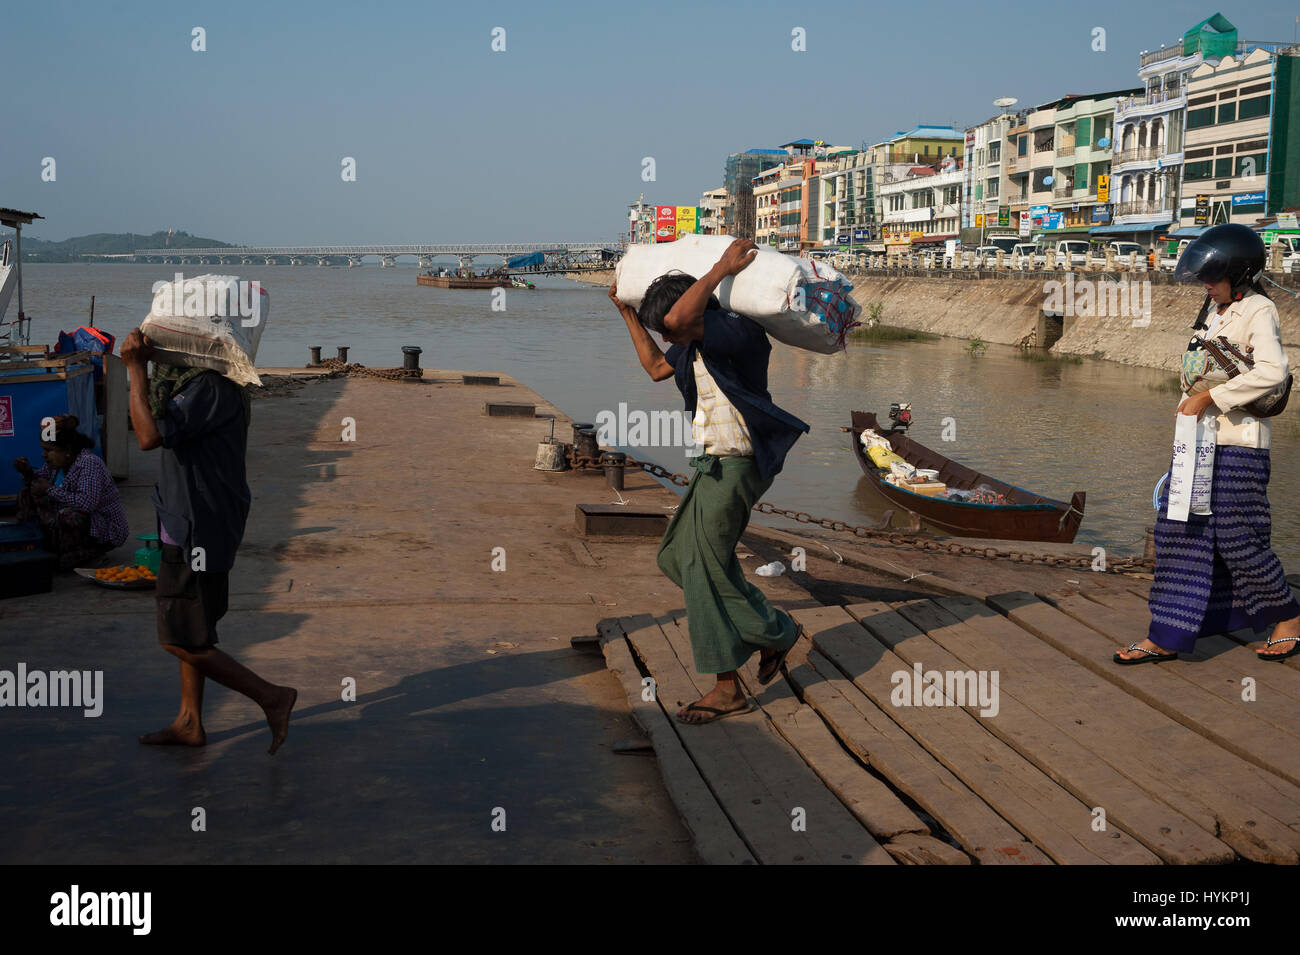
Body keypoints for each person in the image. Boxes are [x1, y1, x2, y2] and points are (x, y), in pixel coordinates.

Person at [611, 239, 810, 723]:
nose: (671, 337)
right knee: (677, 557)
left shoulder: (732, 331)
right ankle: (774, 631)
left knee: (704, 566)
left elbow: (680, 323)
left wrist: (721, 268)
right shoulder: (692, 345)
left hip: (739, 462)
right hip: (712, 464)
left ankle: (728, 684)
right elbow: (657, 367)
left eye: (671, 327)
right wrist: (627, 314)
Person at [1117, 223, 1300, 664]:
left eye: (1213, 278)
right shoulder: (1212, 312)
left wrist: (1209, 397)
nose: (1206, 285)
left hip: (1239, 447)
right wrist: (1190, 406)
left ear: (1238, 274)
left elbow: (1273, 371)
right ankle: (1166, 633)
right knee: (1178, 531)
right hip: (1195, 445)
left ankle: (1287, 617)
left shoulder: (1258, 309)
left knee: (1239, 537)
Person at [119, 329, 297, 753]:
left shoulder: (208, 387)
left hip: (198, 525)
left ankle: (273, 697)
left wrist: (135, 370)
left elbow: (146, 437)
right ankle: (189, 721)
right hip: (187, 517)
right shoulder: (204, 385)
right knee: (196, 628)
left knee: (178, 638)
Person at [12, 414, 129, 570]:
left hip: (101, 527)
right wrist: (27, 472)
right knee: (25, 495)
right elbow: (39, 481)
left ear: (67, 450)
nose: (43, 455)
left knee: (69, 516)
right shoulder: (57, 463)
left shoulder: (89, 463)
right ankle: (36, 544)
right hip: (65, 517)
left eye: (48, 450)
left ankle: (90, 553)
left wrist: (49, 489)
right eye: (43, 450)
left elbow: (87, 504)